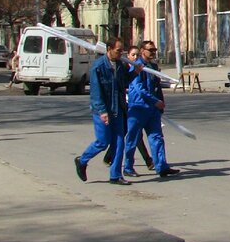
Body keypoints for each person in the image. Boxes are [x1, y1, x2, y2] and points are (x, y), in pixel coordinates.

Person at [74, 38, 137, 185]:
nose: (121, 54)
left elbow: (124, 83)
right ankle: (82, 160)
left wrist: (135, 72)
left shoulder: (121, 65)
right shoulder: (99, 66)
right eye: (118, 51)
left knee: (119, 143)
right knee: (103, 142)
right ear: (109, 49)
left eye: (122, 51)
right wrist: (102, 111)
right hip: (102, 111)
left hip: (118, 110)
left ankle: (115, 175)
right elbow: (96, 93)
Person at [124, 40, 180, 179]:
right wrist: (155, 101)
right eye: (150, 50)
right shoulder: (137, 66)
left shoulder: (153, 66)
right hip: (138, 108)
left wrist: (160, 103)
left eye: (154, 50)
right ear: (143, 51)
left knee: (157, 137)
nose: (153, 53)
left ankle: (161, 166)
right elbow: (139, 88)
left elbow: (156, 86)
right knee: (133, 138)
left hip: (152, 110)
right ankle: (128, 167)